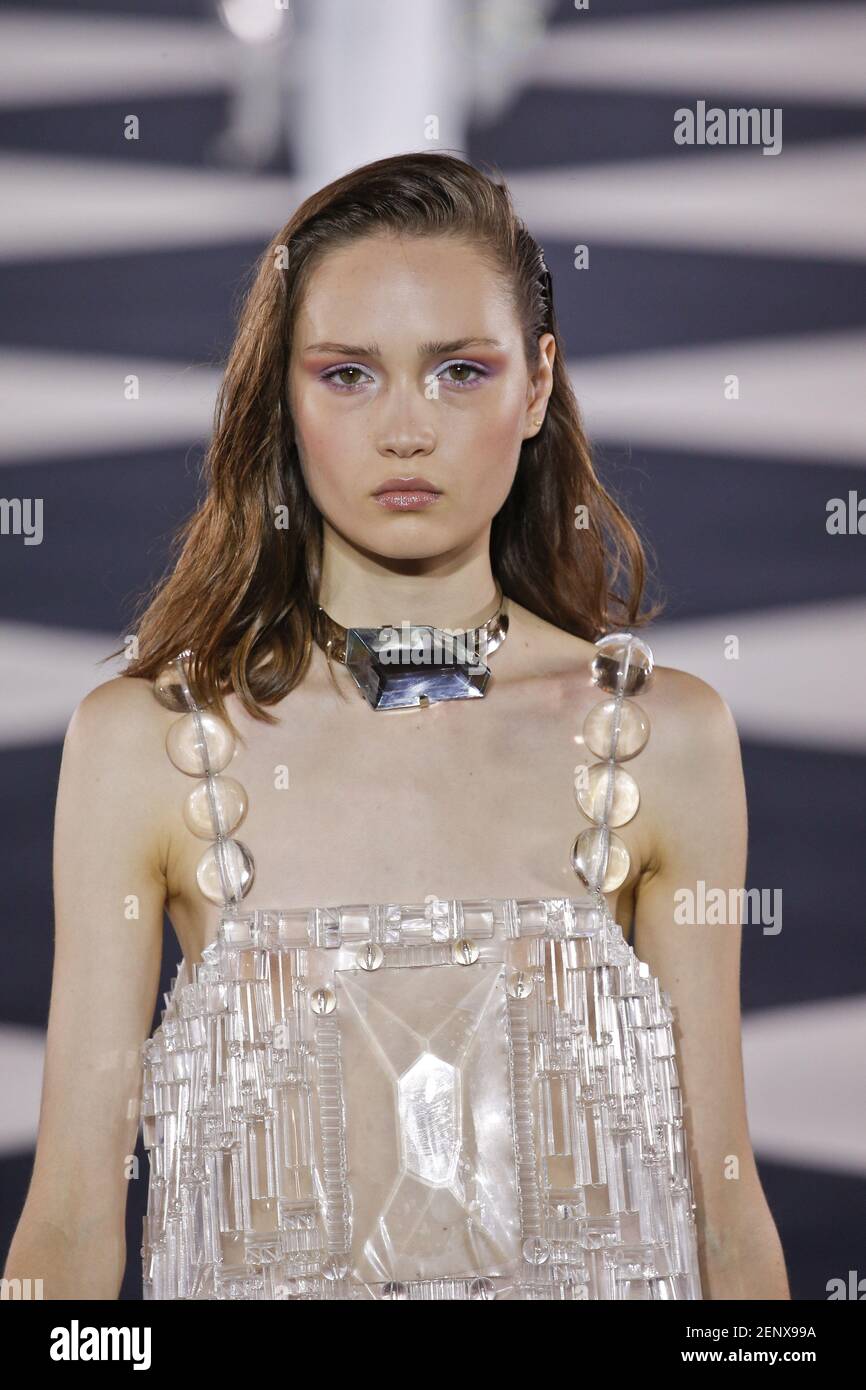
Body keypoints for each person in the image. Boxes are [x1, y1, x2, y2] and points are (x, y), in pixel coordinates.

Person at [4, 151, 789, 1301]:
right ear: (283, 393)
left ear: (535, 385)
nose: (406, 430)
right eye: (347, 375)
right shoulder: (152, 745)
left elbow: (722, 1214)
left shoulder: (654, 738)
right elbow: (70, 1227)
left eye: (460, 370)